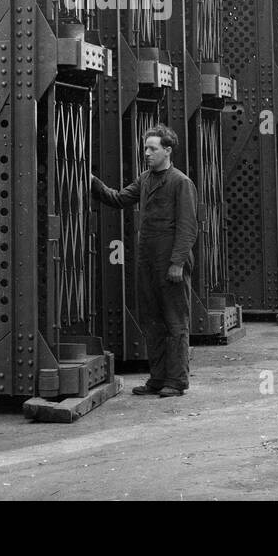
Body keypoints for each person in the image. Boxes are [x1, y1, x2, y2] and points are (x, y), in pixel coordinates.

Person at [91, 125, 198, 397]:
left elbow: (188, 228)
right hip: (148, 261)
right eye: (146, 149)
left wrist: (177, 263)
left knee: (175, 322)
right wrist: (91, 181)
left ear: (167, 150)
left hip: (170, 263)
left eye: (153, 149)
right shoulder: (146, 179)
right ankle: (157, 379)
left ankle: (176, 381)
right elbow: (118, 199)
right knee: (152, 321)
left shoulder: (180, 182)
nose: (147, 153)